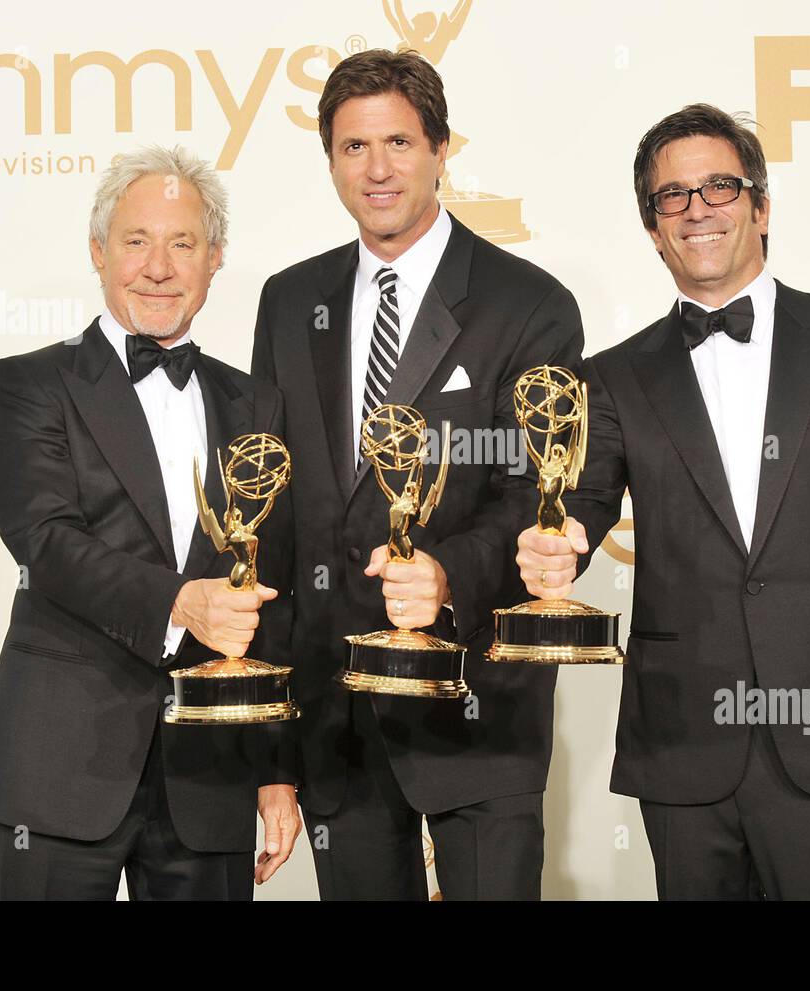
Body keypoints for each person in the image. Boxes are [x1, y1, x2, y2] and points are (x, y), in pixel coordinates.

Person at [515, 104, 810, 900]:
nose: (698, 207)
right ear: (652, 226)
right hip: (684, 744)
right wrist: (559, 541)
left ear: (761, 207)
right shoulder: (615, 374)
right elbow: (583, 501)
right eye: (674, 196)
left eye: (720, 187)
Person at [250, 49, 583, 900]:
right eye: (354, 148)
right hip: (338, 720)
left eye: (399, 142)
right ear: (329, 160)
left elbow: (536, 493)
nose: (379, 168)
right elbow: (274, 522)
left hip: (479, 709)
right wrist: (275, 748)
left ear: (442, 148)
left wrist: (446, 575)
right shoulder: (288, 302)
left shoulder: (527, 302)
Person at [0, 146, 301, 900]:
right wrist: (180, 601)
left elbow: (272, 594)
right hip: (60, 764)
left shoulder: (258, 403)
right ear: (98, 252)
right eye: (136, 241)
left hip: (210, 776)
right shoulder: (31, 384)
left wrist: (276, 765)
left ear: (215, 259)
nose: (158, 266)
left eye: (183, 243)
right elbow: (44, 541)